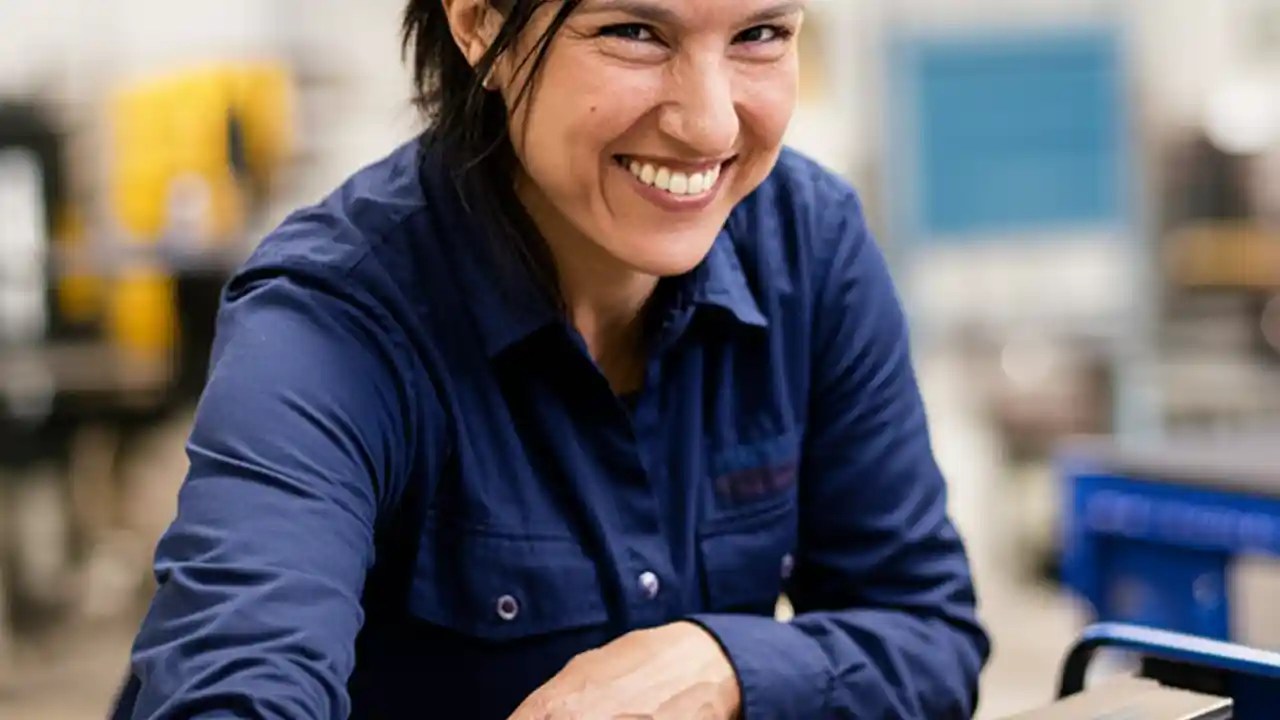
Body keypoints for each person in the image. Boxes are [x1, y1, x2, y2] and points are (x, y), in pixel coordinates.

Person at [114, 0, 990, 717]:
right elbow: (232, 689)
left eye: (760, 34)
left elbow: (928, 634)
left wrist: (722, 664)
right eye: (634, 33)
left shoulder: (811, 250)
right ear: (482, 26)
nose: (710, 122)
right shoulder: (330, 322)